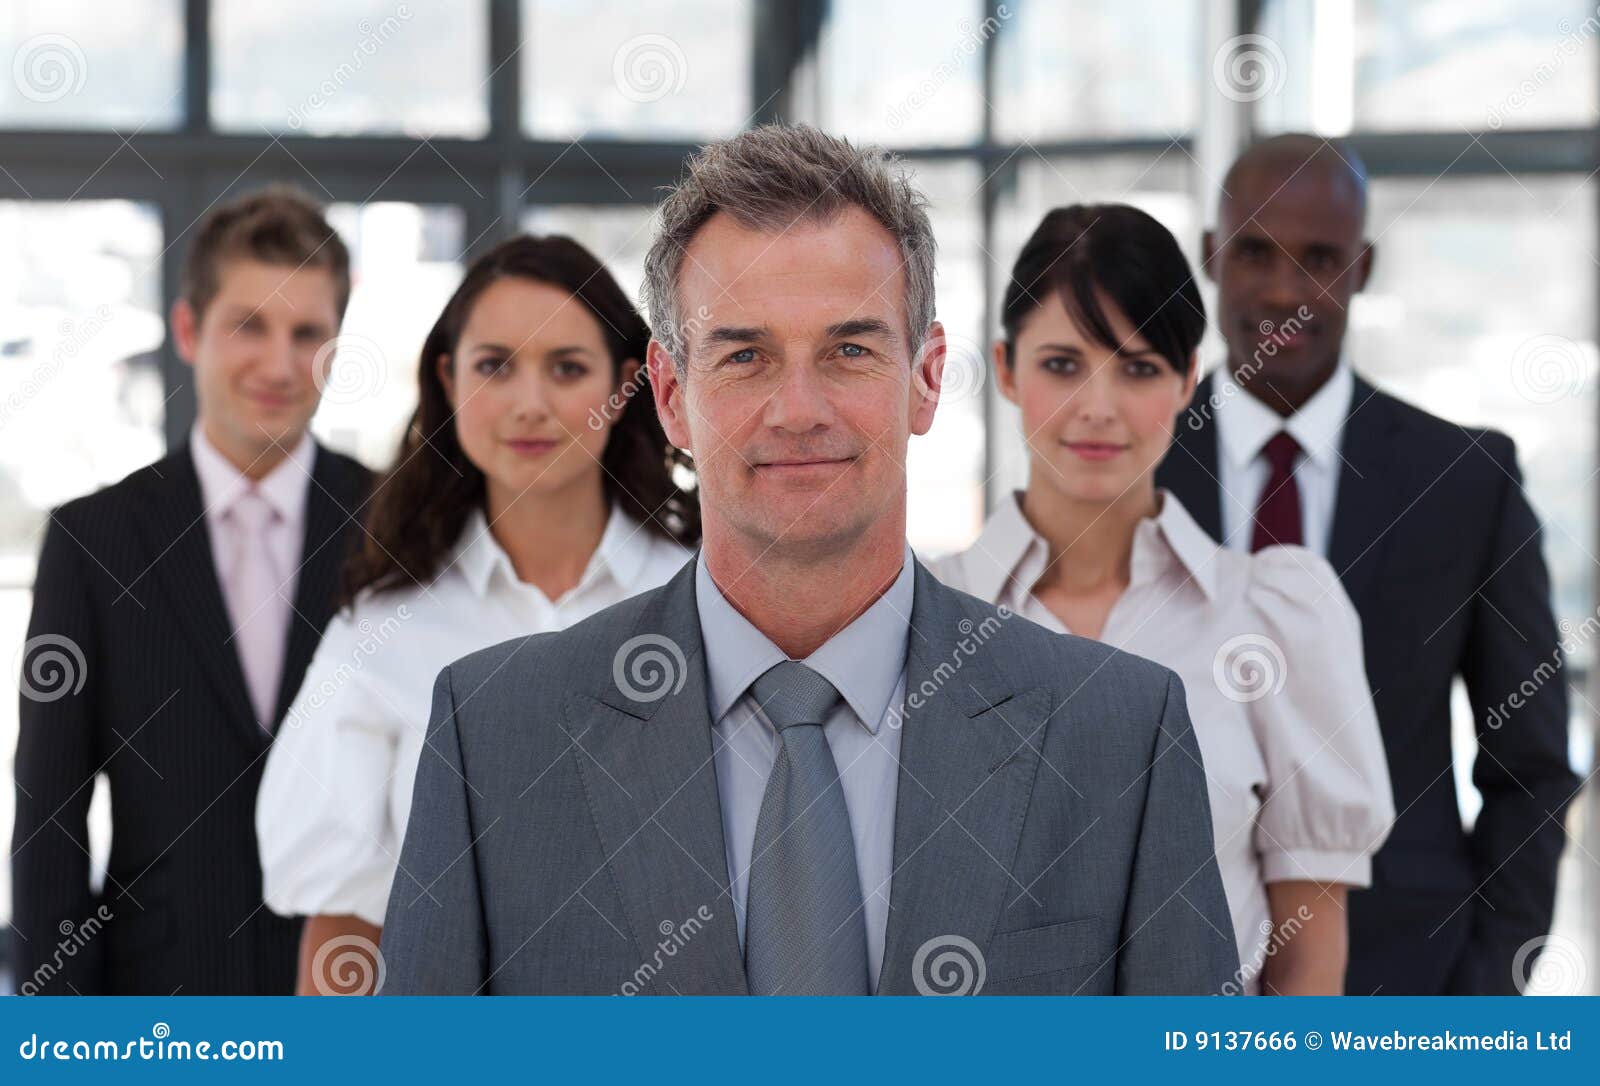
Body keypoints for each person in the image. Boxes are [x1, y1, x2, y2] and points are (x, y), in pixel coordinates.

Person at [378, 124, 1238, 996]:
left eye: (850, 351)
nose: (798, 410)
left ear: (927, 379)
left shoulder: (1120, 735)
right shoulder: (494, 739)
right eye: (745, 355)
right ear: (672, 396)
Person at [931, 203, 1394, 994]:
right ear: (1006, 371)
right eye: (1063, 364)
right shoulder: (923, 613)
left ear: (1187, 381)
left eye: (1139, 367)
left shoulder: (1276, 618)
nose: (1099, 407)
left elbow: (1308, 956)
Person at [1157, 134, 1578, 995]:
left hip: (1407, 982)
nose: (1282, 291)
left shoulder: (1465, 482)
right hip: (1162, 978)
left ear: (1365, 266)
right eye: (1255, 254)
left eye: (1319, 259)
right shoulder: (1131, 472)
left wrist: (1483, 996)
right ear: (1211, 257)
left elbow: (1528, 773)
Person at [256, 235, 698, 995]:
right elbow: (342, 930)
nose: (530, 403)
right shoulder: (382, 631)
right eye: (496, 365)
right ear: (448, 379)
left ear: (627, 386)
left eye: (567, 368)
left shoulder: (707, 597)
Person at [10, 188, 371, 994]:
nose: (279, 364)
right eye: (250, 325)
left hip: (359, 1003)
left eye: (306, 332)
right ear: (187, 330)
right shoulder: (93, 542)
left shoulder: (395, 529)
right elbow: (49, 820)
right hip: (159, 1005)